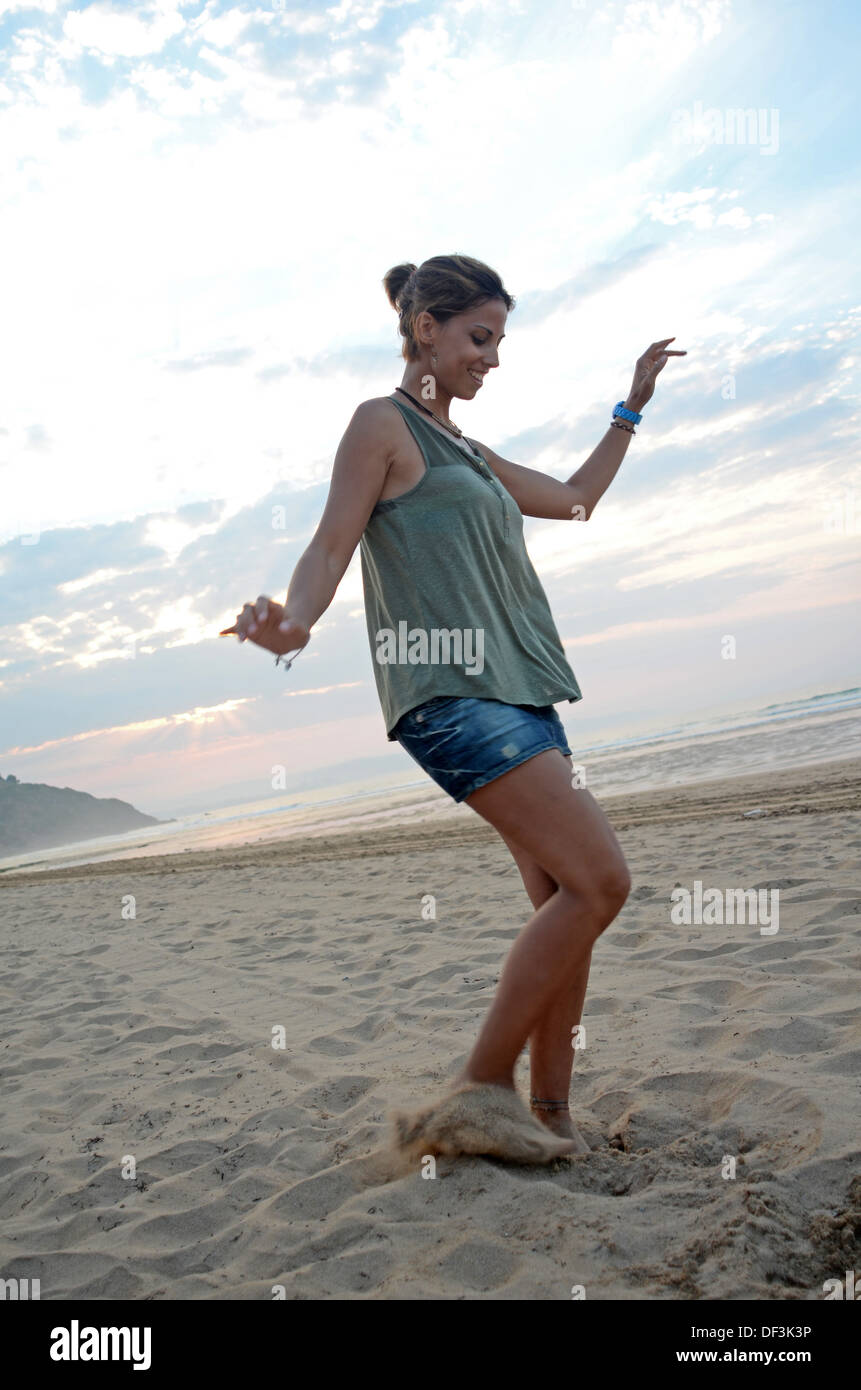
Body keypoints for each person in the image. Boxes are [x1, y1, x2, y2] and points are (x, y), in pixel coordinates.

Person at [220, 253, 686, 1164]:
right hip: (450, 697)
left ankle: (549, 1114)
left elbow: (577, 500)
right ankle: (480, 1090)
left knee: (565, 898)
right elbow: (328, 546)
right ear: (423, 328)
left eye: (499, 341)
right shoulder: (380, 426)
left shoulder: (469, 450)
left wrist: (629, 409)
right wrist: (294, 624)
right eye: (480, 338)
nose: (493, 358)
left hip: (522, 694)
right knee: (602, 882)